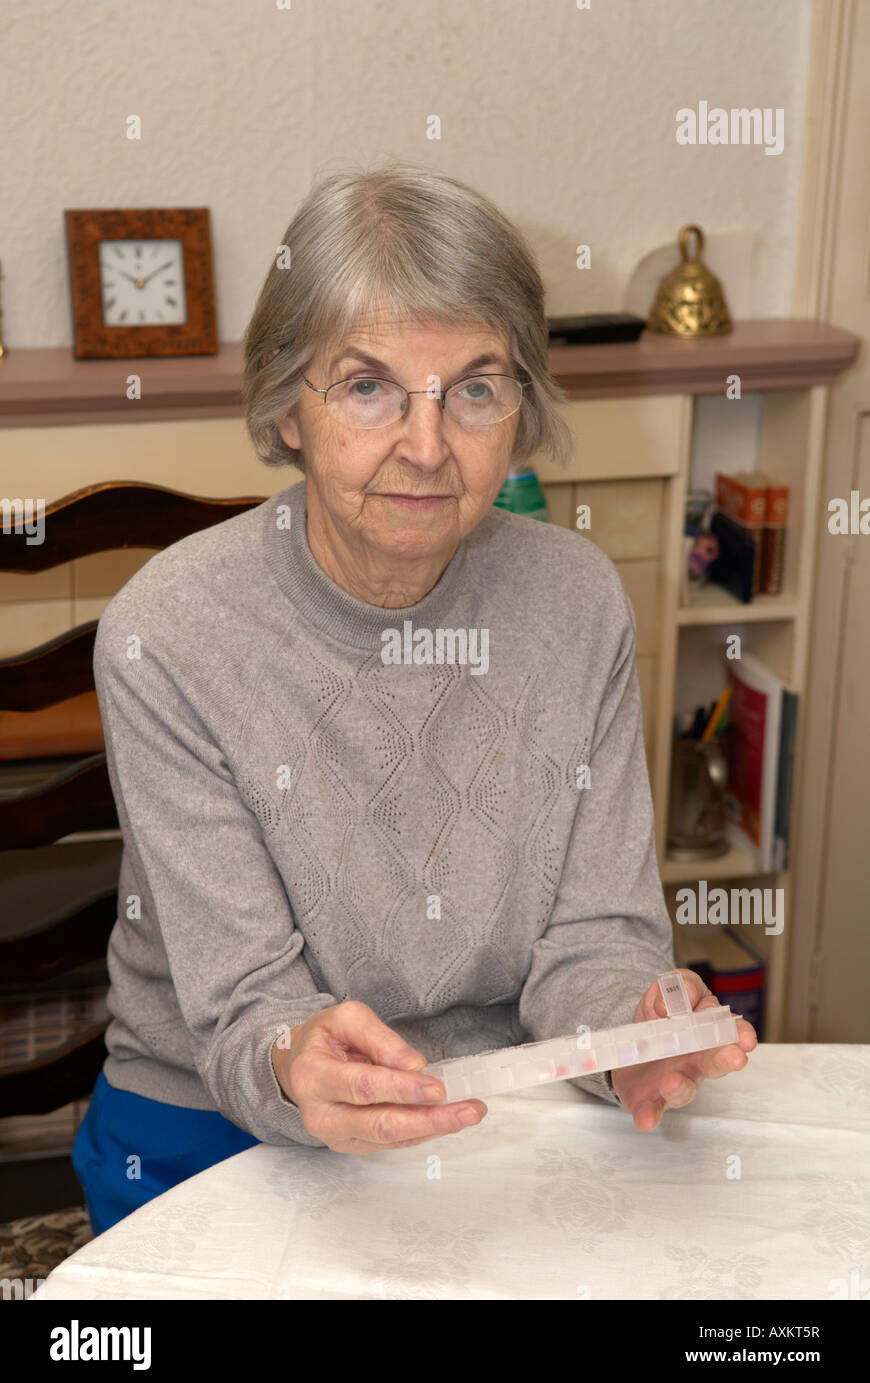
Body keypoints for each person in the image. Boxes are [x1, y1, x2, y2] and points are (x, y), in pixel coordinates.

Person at [72, 161, 757, 1235]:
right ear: (286, 405)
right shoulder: (171, 634)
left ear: (521, 411)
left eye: (474, 388)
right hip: (214, 1121)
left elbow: (595, 938)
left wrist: (630, 1030)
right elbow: (248, 1010)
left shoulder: (575, 601)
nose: (428, 445)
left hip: (496, 1099)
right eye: (368, 385)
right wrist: (302, 1065)